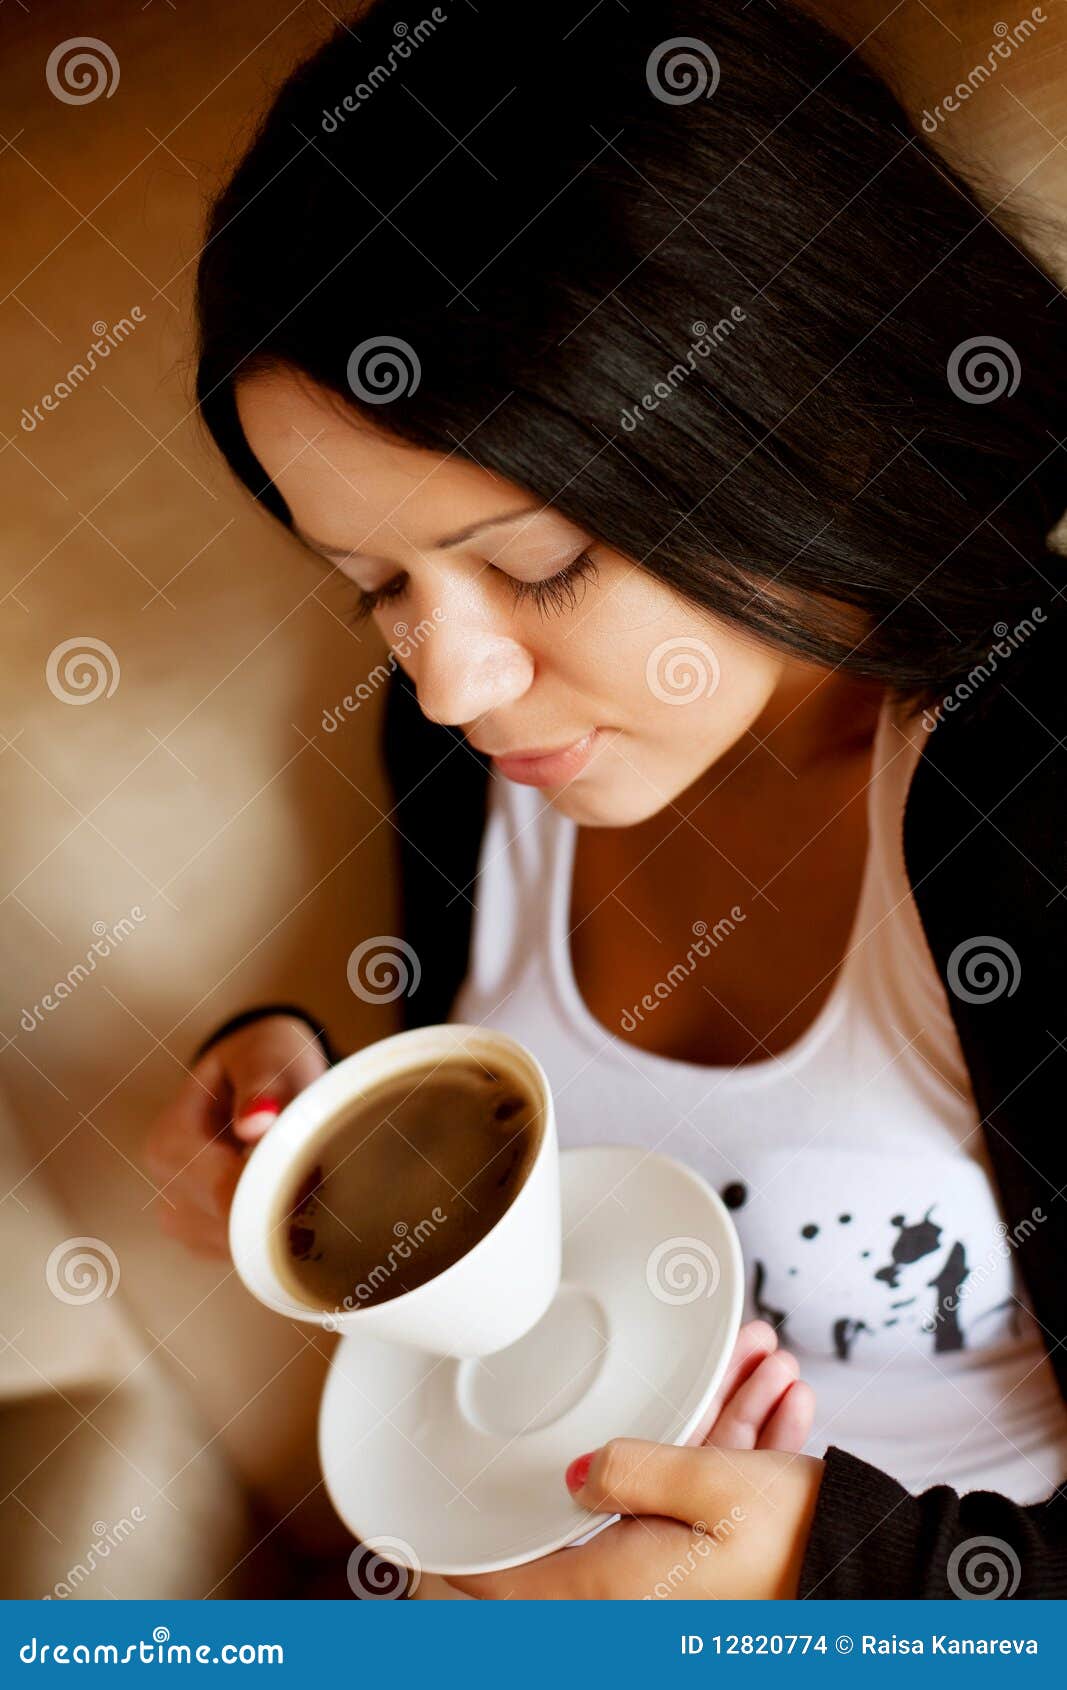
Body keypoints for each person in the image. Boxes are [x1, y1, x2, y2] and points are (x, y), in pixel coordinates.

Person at [146, 0, 1067, 1597]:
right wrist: (314, 1110)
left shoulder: (1028, 782)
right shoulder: (466, 755)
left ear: (801, 425)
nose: (448, 680)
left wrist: (828, 1582)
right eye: (371, 584)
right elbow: (524, 1196)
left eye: (536, 565)